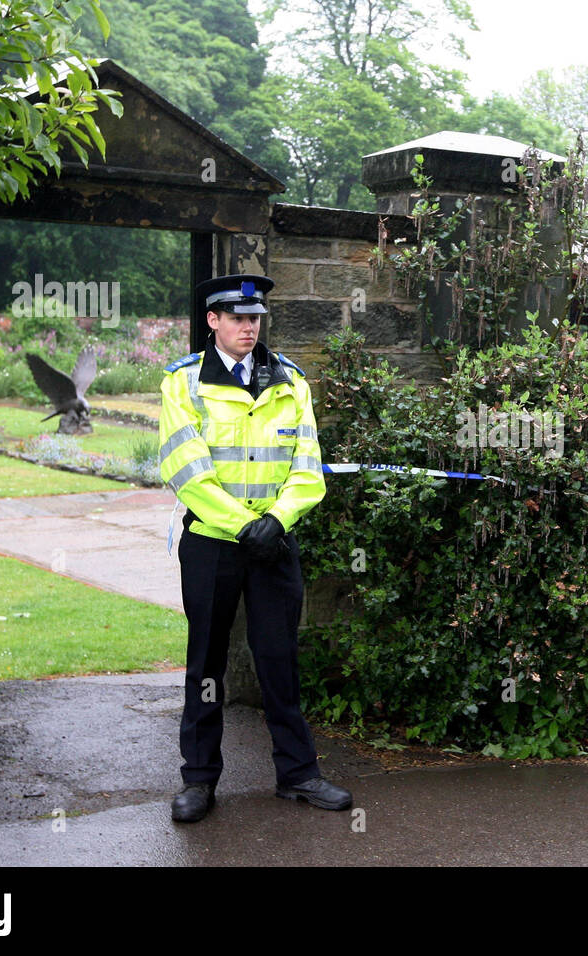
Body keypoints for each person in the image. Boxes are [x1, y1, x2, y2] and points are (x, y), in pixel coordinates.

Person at [158, 273, 351, 822]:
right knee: (207, 665)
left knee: (279, 661)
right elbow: (185, 468)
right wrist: (247, 524)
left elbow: (308, 469)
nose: (249, 326)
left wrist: (278, 520)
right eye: (238, 317)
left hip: (274, 544)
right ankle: (198, 781)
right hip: (212, 544)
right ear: (213, 321)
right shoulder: (183, 383)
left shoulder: (290, 381)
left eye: (256, 317)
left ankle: (298, 774)